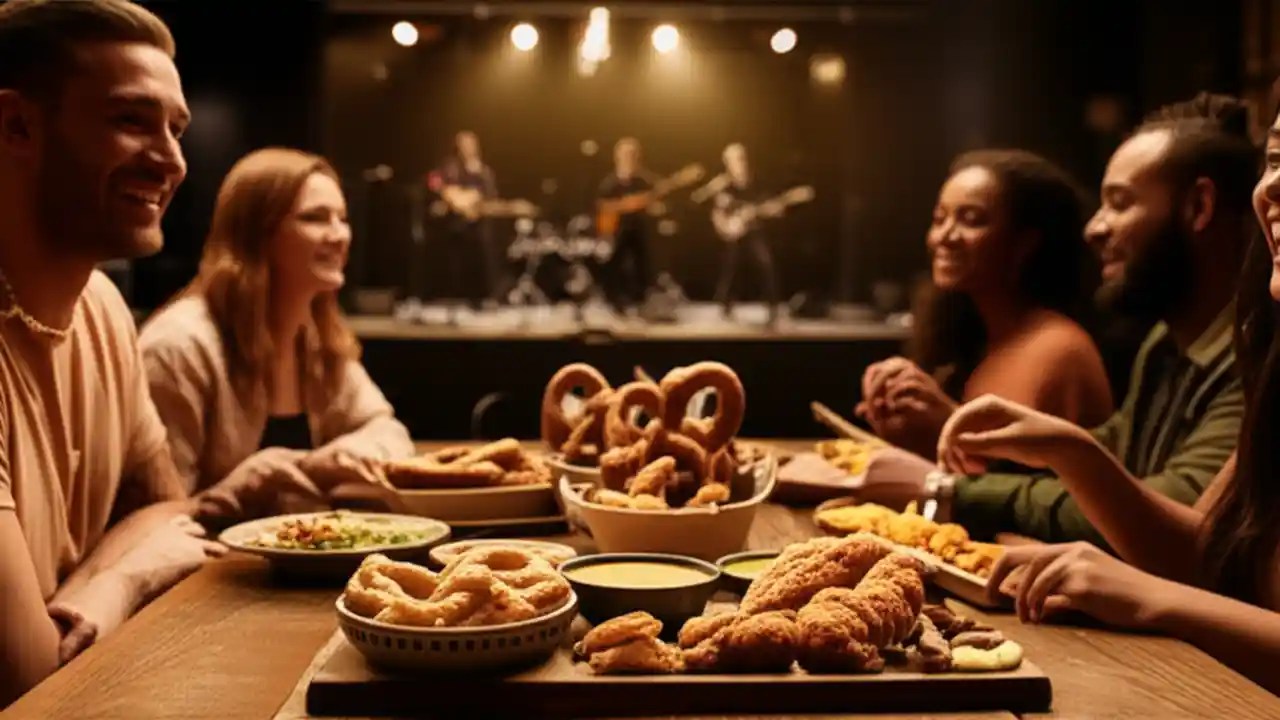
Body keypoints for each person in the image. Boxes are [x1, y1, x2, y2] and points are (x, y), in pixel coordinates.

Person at [930, 100, 1280, 696]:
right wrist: (1069, 449)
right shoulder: (1264, 358)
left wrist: (1151, 598)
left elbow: (1180, 574)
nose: (1271, 188)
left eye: (1119, 202)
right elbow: (1206, 554)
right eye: (1274, 159)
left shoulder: (1063, 344)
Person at [855, 94, 1252, 546]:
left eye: (1120, 203)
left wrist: (946, 488)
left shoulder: (1252, 359)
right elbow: (1105, 464)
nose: (1095, 228)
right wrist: (966, 440)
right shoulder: (1165, 342)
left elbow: (1159, 520)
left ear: (1199, 207)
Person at [0, 0, 225, 705]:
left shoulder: (102, 309)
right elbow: (24, 679)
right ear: (15, 126)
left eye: (177, 128)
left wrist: (88, 592)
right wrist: (124, 578)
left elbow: (167, 515)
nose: (172, 160)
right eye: (132, 121)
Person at [140, 148, 415, 523]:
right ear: (257, 234)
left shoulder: (316, 335)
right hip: (206, 575)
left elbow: (387, 430)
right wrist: (243, 487)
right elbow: (153, 523)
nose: (339, 236)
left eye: (343, 219)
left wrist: (321, 463)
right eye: (315, 218)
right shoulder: (178, 348)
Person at [857, 149, 1114, 458]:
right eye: (940, 219)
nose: (945, 236)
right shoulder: (974, 335)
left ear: (1025, 243)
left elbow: (1044, 490)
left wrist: (949, 422)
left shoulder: (1059, 351)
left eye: (972, 220)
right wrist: (905, 426)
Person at [696, 143, 784, 326]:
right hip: (734, 231)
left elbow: (770, 205)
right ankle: (725, 305)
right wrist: (724, 227)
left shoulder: (757, 180)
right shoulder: (723, 184)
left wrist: (772, 210)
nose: (737, 163)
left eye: (739, 158)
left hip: (753, 230)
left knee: (765, 263)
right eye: (731, 160)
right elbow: (716, 211)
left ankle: (772, 307)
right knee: (731, 269)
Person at [428, 130, 504, 316]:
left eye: (470, 144)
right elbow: (434, 182)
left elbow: (491, 195)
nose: (467, 148)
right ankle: (457, 298)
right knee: (456, 262)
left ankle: (484, 298)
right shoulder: (449, 167)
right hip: (455, 225)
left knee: (483, 258)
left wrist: (476, 200)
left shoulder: (483, 170)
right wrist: (449, 195)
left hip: (478, 224)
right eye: (463, 144)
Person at [597, 137, 657, 314]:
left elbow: (653, 204)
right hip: (615, 231)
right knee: (614, 265)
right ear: (617, 157)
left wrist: (651, 206)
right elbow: (602, 207)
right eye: (626, 155)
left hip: (638, 229)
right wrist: (627, 205)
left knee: (642, 264)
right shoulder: (609, 183)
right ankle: (615, 302)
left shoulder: (643, 181)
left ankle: (640, 301)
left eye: (633, 155)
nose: (630, 159)